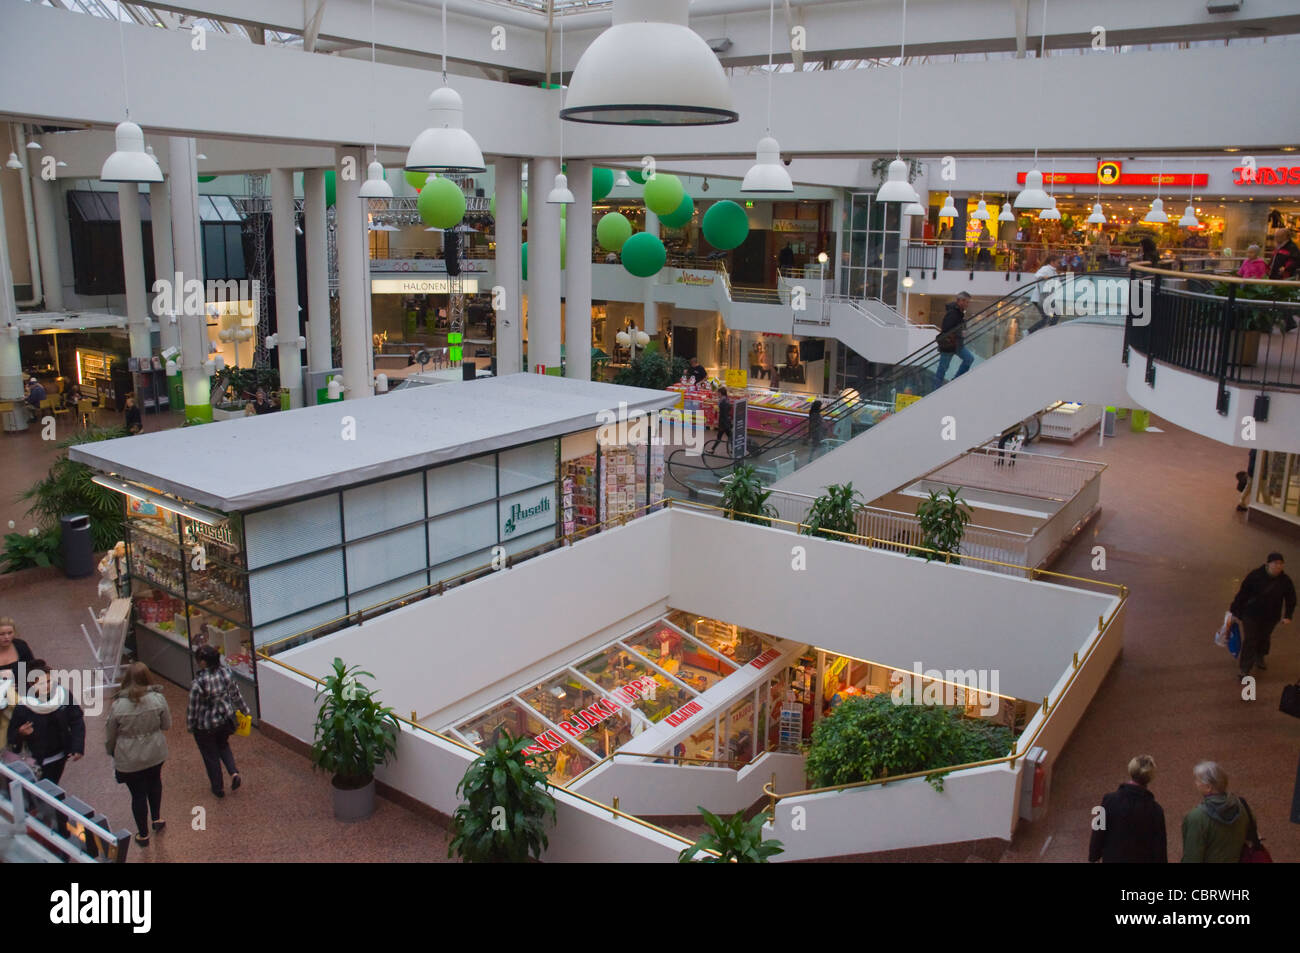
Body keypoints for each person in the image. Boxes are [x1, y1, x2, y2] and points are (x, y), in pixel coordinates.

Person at [105, 662, 170, 847]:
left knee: (138, 794)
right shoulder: (158, 699)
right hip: (155, 752)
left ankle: (143, 835)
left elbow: (110, 735)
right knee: (155, 782)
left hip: (129, 758)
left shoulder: (118, 705)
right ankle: (156, 819)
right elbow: (166, 725)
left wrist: (112, 752)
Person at [6, 661, 85, 786]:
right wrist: (20, 732)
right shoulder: (24, 706)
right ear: (32, 684)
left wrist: (77, 747)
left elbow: (76, 720)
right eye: (41, 683)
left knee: (52, 785)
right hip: (37, 759)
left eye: (48, 681)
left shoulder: (63, 695)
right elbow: (11, 735)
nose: (47, 686)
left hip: (60, 755)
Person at [186, 645, 250, 798]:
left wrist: (190, 726)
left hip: (205, 726)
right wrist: (244, 710)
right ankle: (233, 773)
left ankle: (218, 788)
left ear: (203, 662)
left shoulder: (198, 684)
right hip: (225, 720)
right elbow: (235, 694)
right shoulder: (226, 673)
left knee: (210, 756)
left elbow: (192, 709)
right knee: (223, 745)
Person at [1088, 754, 1167, 863]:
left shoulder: (1109, 800)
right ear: (1150, 777)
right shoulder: (1156, 811)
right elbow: (1159, 847)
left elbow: (1098, 831)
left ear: (1130, 771)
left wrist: (1093, 856)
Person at [1228, 551, 1295, 678]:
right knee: (1250, 639)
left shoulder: (1285, 581)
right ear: (1267, 564)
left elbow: (1291, 598)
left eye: (1281, 564)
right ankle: (1244, 668)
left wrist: (1288, 615)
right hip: (1251, 615)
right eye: (1275, 563)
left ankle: (1260, 656)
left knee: (1264, 637)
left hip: (1271, 617)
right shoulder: (1255, 576)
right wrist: (1234, 611)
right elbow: (1243, 594)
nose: (1278, 566)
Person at [1181, 761, 1250, 863]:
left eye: (1197, 780)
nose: (1195, 783)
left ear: (1208, 787)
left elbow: (1192, 857)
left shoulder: (1197, 818)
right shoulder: (1242, 807)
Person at [934, 292, 974, 385]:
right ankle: (939, 388)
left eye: (968, 302)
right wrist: (960, 332)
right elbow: (946, 328)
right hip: (950, 344)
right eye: (965, 301)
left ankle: (953, 381)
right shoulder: (953, 313)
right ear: (959, 301)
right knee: (943, 368)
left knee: (943, 368)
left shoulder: (958, 312)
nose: (967, 304)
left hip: (955, 344)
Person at [1025, 259, 1061, 334]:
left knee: (1053, 315)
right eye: (1058, 262)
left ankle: (1031, 331)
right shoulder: (1046, 269)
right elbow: (1037, 275)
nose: (1059, 264)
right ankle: (1030, 331)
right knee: (1049, 317)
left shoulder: (1053, 271)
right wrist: (1044, 277)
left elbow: (1057, 281)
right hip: (1041, 297)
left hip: (1046, 297)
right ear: (1052, 262)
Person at [714, 386, 732, 455]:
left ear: (721, 393)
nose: (717, 394)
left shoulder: (722, 401)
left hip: (723, 423)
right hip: (726, 422)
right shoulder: (726, 399)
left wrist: (717, 410)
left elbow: (723, 413)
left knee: (720, 437)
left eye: (718, 393)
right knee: (730, 436)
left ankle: (712, 449)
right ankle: (733, 449)